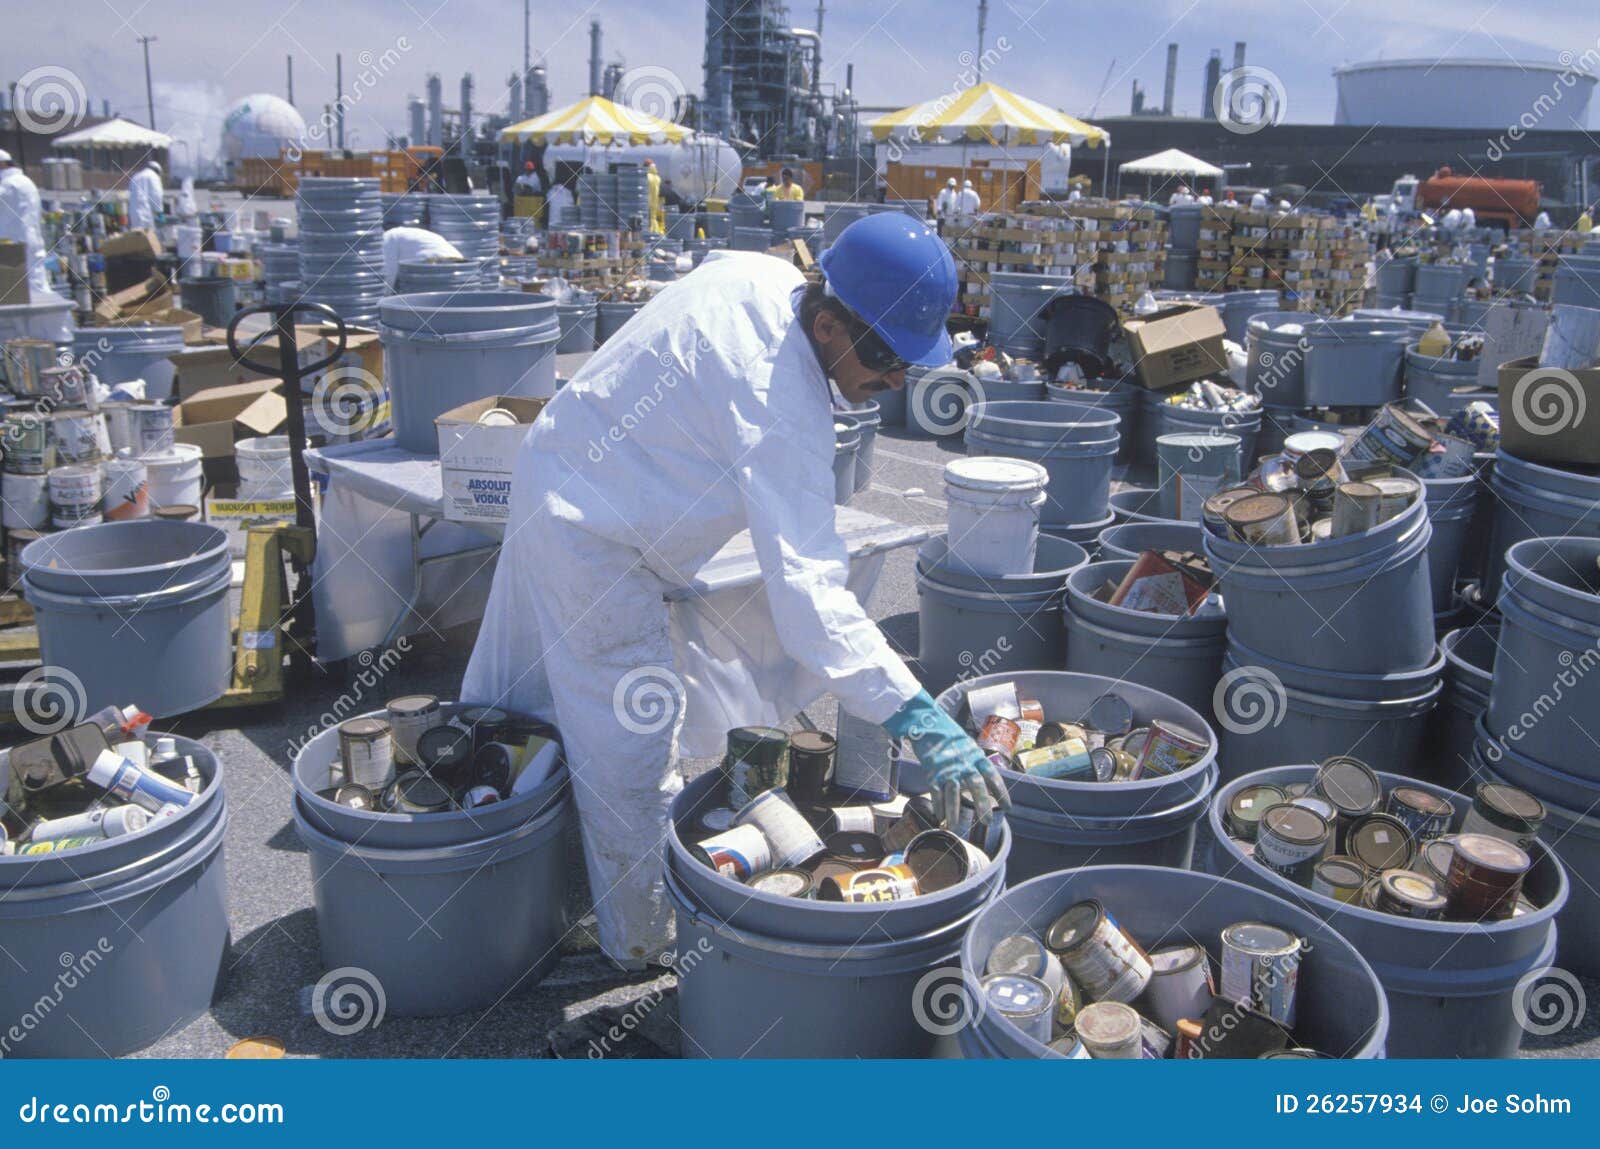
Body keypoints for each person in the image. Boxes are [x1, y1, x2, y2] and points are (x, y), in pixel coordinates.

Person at [461, 215, 1008, 967]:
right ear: (826, 325)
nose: (894, 382)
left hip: (567, 467)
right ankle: (642, 941)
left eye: (910, 363)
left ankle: (499, 854)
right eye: (884, 358)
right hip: (592, 537)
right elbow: (810, 595)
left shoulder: (765, 276)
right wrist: (913, 711)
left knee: (532, 697)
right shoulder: (782, 404)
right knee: (631, 741)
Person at [0, 150, 52, 297]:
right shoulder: (25, 182)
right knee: (36, 285)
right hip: (29, 240)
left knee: (14, 295)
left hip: (12, 245)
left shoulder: (9, 184)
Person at [127, 159, 164, 230]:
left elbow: (129, 194)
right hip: (146, 212)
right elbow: (157, 194)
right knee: (149, 236)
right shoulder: (154, 176)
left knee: (137, 236)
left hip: (133, 212)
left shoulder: (135, 176)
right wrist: (159, 212)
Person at [643, 158, 665, 235]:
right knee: (653, 220)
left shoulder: (645, 177)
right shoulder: (658, 178)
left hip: (645, 203)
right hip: (656, 204)